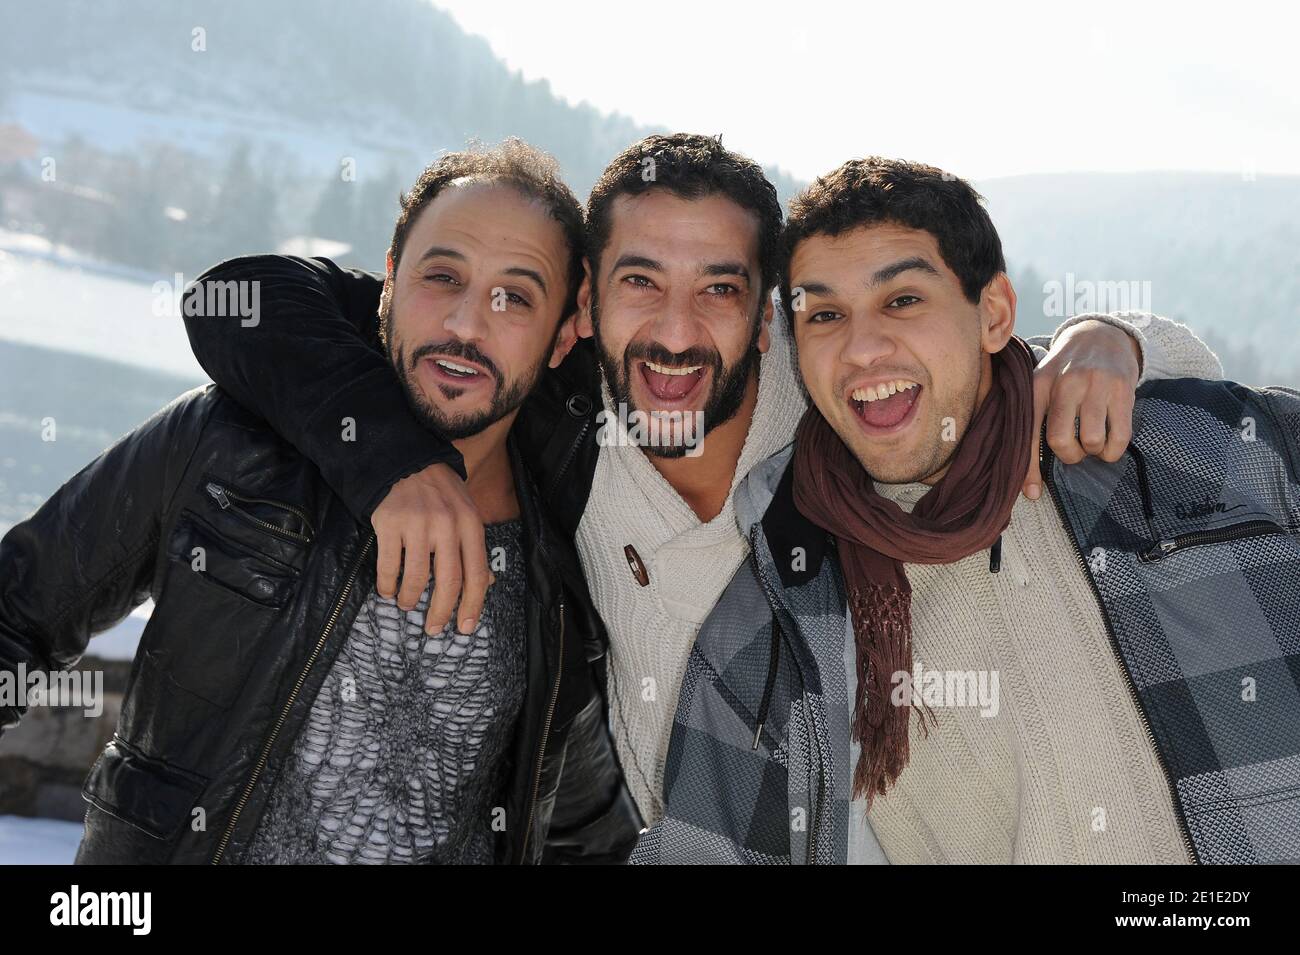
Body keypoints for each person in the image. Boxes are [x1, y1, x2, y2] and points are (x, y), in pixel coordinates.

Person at [180, 133, 1210, 829]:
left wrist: (1108, 334)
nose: (675, 332)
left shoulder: (844, 403)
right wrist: (391, 461)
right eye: (640, 283)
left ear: (765, 310)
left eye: (718, 288)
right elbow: (240, 297)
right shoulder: (556, 407)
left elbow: (994, 364)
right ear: (584, 300)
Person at [631, 157, 1299, 864]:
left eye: (903, 300)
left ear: (993, 313)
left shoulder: (1178, 449)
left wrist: (1125, 338)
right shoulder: (779, 622)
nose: (861, 348)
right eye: (825, 314)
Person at [0, 139, 639, 864]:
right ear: (389, 282)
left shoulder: (562, 559)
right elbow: (16, 609)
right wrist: (396, 464)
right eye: (442, 275)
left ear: (564, 333)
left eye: (515, 296)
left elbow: (584, 828)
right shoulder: (225, 443)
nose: (466, 322)